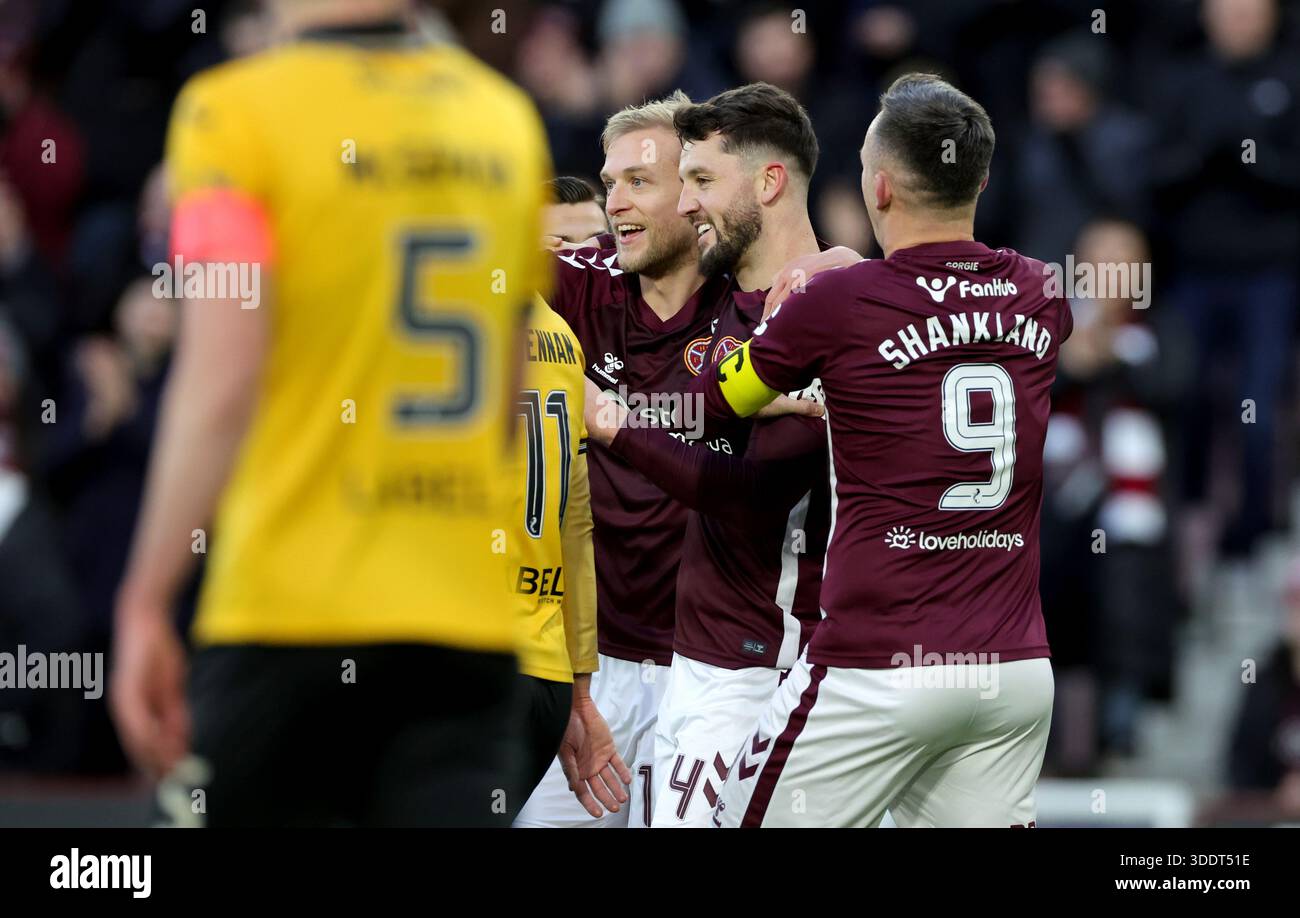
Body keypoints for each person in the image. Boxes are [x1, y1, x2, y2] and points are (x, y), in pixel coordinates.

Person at [110, 0, 552, 827]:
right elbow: (503, 403)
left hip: (288, 615)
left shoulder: (232, 111)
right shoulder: (504, 119)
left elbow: (221, 379)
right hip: (464, 626)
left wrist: (144, 599)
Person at [693, 73, 1068, 828]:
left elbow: (720, 398)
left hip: (876, 667)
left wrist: (799, 300)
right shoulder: (1039, 290)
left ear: (881, 190)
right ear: (982, 178)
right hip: (1014, 676)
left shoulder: (839, 303)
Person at [584, 82, 834, 827]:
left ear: (769, 182)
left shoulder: (829, 311)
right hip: (698, 659)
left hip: (765, 663)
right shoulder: (724, 297)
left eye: (701, 182)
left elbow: (749, 494)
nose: (687, 204)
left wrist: (615, 425)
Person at [515, 91, 731, 828]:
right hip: (590, 667)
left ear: (697, 187)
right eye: (609, 184)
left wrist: (827, 262)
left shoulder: (756, 303)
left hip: (711, 671)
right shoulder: (578, 284)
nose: (615, 203)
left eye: (639, 181)